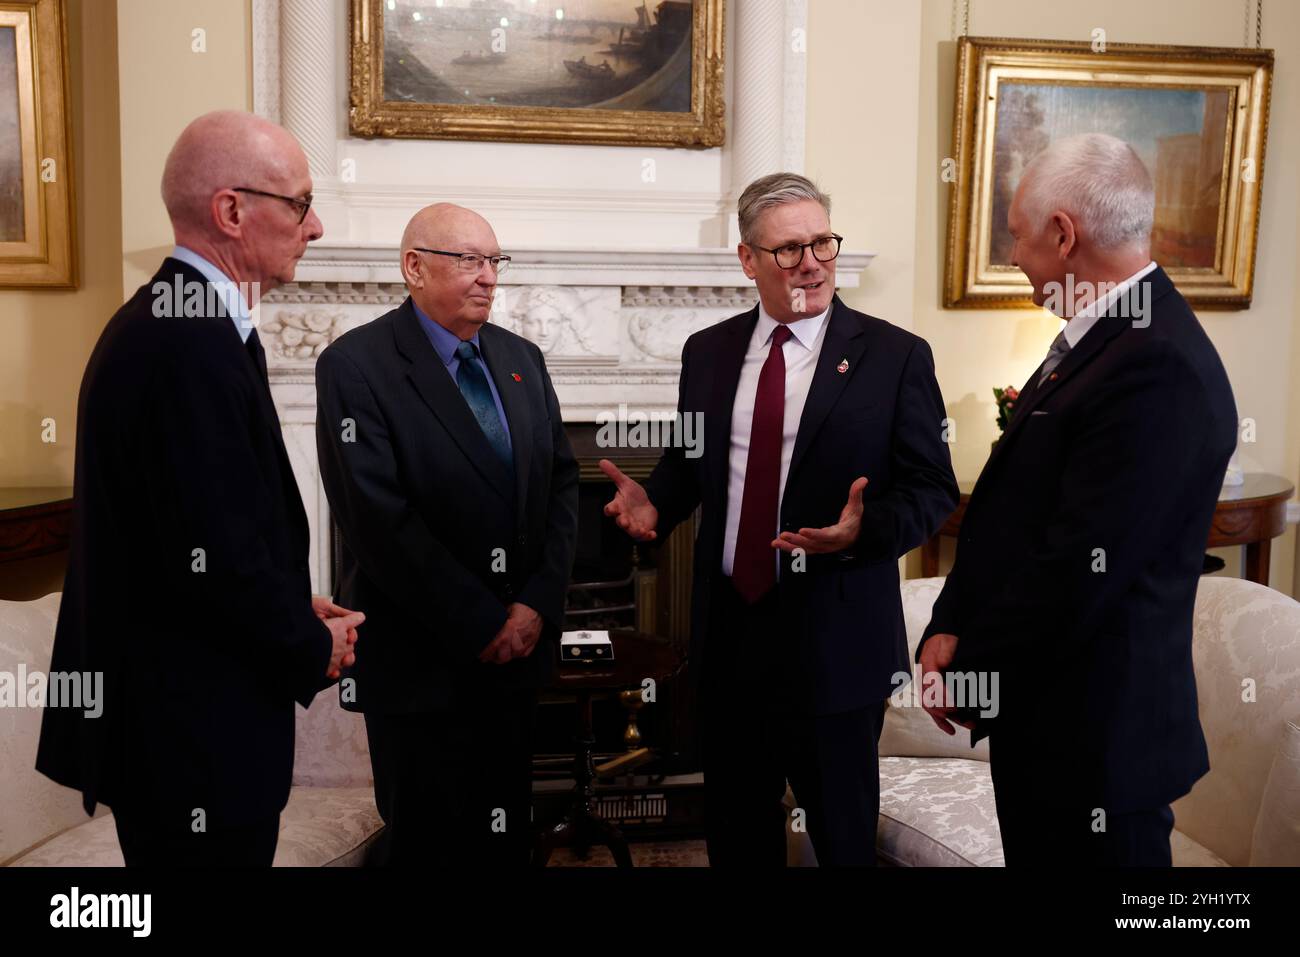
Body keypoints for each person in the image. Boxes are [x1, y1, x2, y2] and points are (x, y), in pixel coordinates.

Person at [35, 110, 363, 866]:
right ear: (230, 210)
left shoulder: (178, 323)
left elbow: (195, 538)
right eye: (301, 203)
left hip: (183, 732)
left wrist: (290, 598)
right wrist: (310, 641)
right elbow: (213, 560)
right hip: (191, 743)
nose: (316, 226)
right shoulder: (185, 343)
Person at [602, 172, 958, 866]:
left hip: (836, 636)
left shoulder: (895, 356)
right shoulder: (708, 352)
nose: (813, 262)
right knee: (737, 836)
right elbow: (691, 463)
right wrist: (655, 500)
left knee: (842, 838)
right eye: (789, 249)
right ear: (748, 260)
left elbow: (931, 487)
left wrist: (864, 532)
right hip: (732, 633)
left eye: (822, 242)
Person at [917, 133, 1238, 866]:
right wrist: (949, 619)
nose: (1015, 258)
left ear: (1064, 235)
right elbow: (1014, 513)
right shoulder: (1105, 339)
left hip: (1097, 745)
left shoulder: (1159, 365)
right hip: (1051, 726)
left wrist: (973, 673)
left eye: (1019, 237)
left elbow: (1076, 567)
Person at [315, 203, 579, 867]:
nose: (488, 276)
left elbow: (562, 486)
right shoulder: (356, 366)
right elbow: (378, 518)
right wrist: (483, 619)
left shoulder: (523, 358)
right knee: (430, 850)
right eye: (469, 259)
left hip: (515, 663)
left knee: (503, 844)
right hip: (421, 668)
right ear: (414, 267)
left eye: (495, 261)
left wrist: (535, 606)